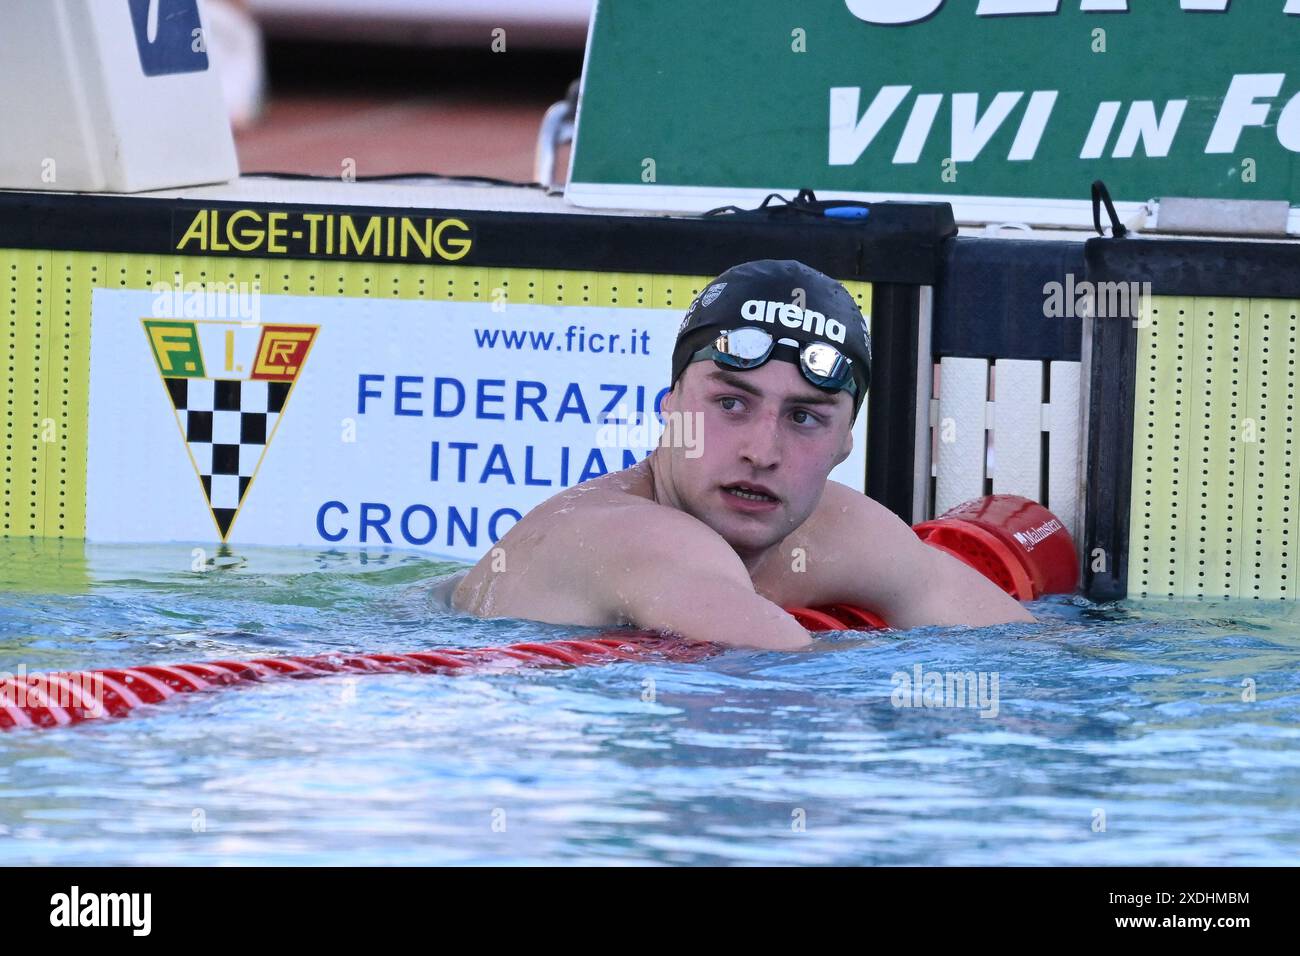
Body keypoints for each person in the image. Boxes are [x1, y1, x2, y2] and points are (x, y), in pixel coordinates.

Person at [450, 259, 1035, 649]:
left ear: (845, 442)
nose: (762, 452)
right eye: (731, 404)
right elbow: (784, 679)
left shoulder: (837, 532)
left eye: (804, 417)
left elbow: (1027, 654)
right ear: (669, 406)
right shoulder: (628, 534)